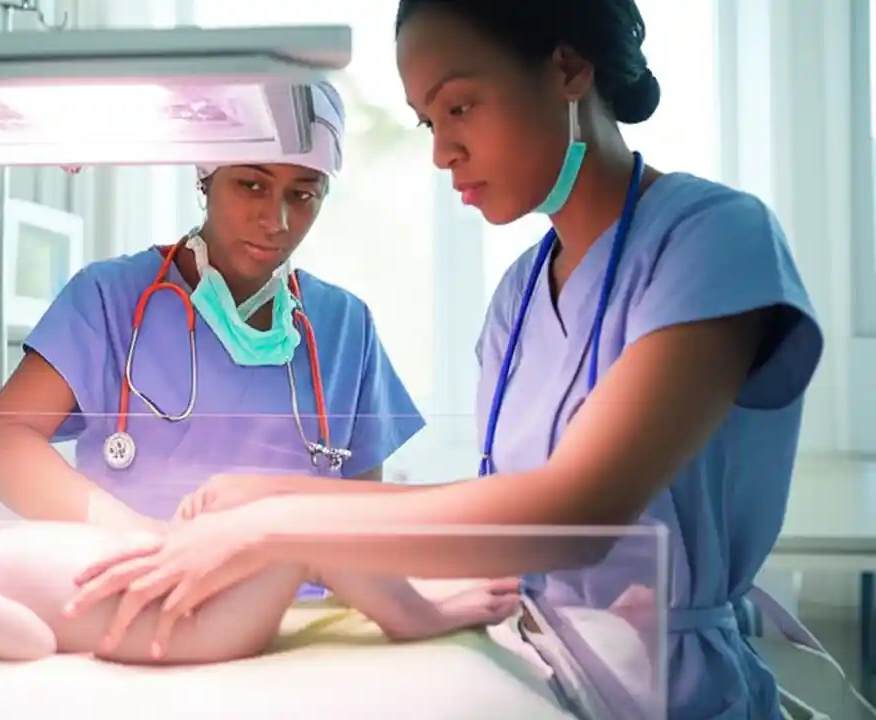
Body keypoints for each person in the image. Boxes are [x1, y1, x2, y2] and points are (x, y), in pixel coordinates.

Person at [61, 1, 825, 718]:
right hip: (540, 666)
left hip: (668, 692)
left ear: (568, 69)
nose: (440, 151)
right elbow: (506, 503)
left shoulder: (714, 240)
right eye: (426, 120)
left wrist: (279, 527)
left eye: (459, 107)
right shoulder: (521, 294)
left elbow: (578, 514)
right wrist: (272, 495)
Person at [0, 81, 426, 534]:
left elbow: (365, 518)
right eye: (250, 184)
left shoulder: (346, 327)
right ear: (205, 179)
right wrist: (146, 540)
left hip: (295, 600)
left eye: (302, 194)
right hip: (135, 582)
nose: (276, 220)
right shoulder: (109, 297)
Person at [0, 481, 522, 664]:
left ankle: (410, 598)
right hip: (189, 629)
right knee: (302, 530)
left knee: (273, 513)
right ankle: (418, 615)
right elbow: (29, 643)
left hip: (180, 597)